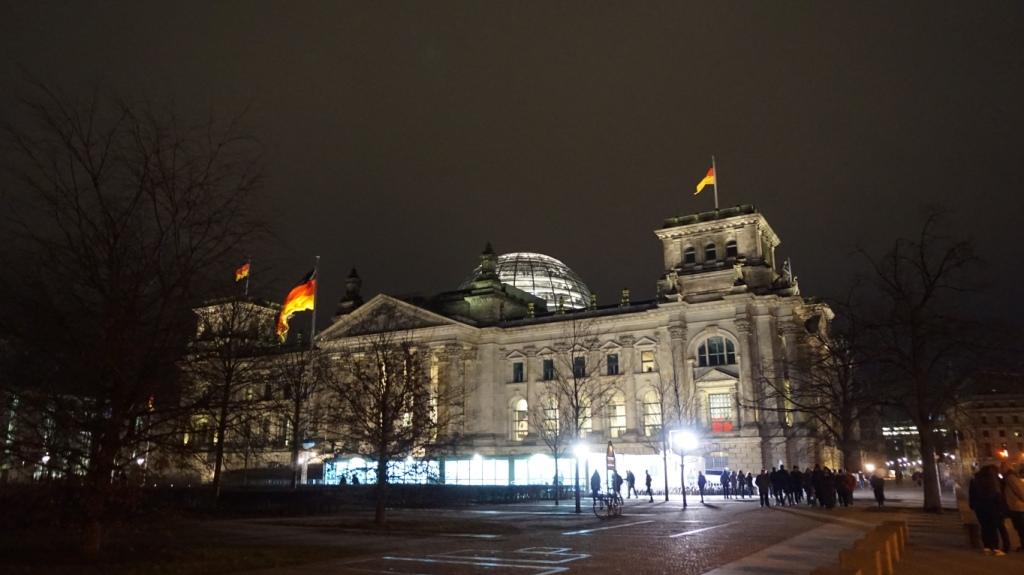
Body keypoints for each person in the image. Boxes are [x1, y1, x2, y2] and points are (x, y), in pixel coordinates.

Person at [969, 464, 1009, 555]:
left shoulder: (975, 479)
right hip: (993, 507)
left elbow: (971, 494)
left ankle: (987, 546)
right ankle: (995, 547)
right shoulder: (994, 480)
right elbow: (998, 494)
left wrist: (972, 505)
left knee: (984, 526)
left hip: (980, 507)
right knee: (994, 527)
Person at [1004, 465, 1024, 551]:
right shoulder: (1012, 478)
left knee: (1021, 527)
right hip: (1017, 507)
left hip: (1017, 507)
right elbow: (1020, 491)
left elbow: (1020, 491)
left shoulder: (1010, 478)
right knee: (1020, 527)